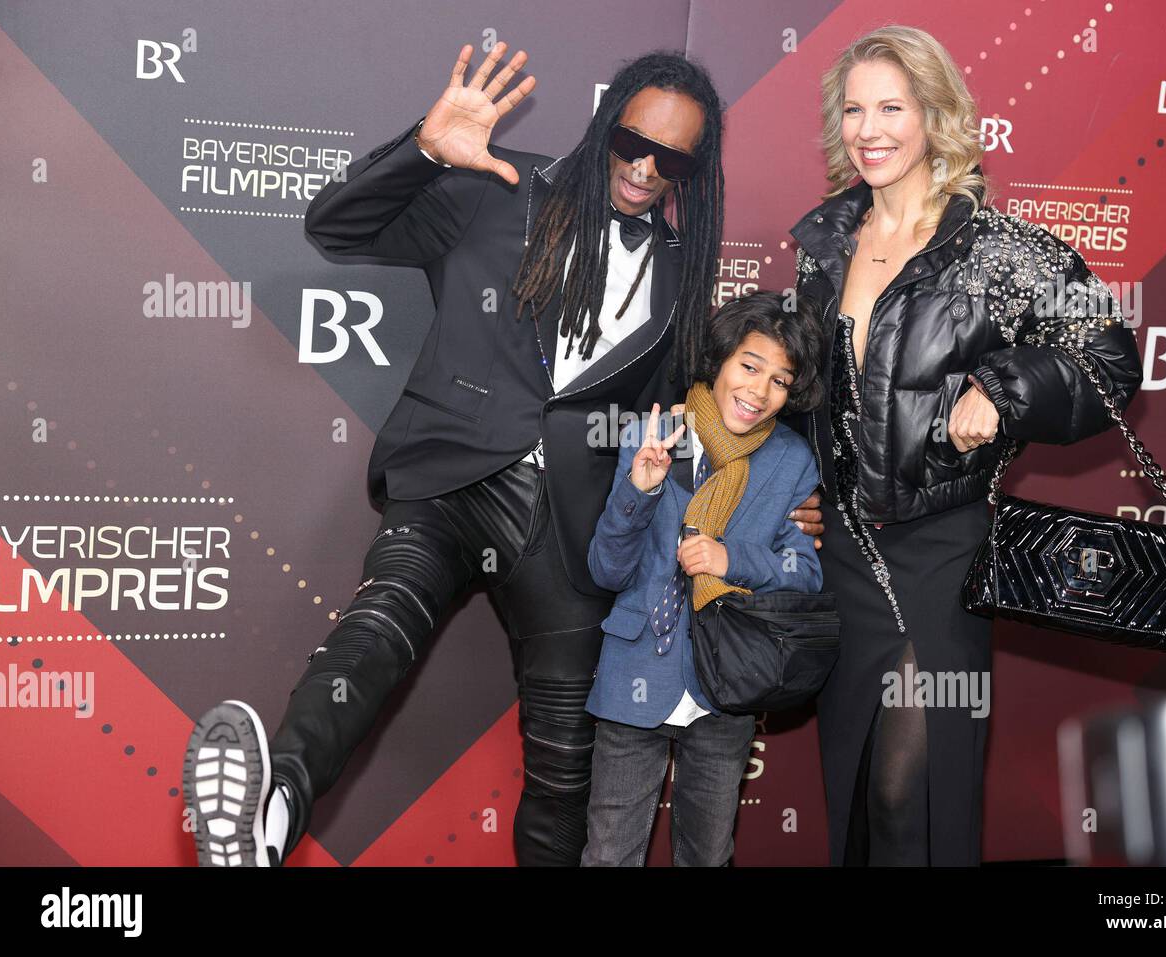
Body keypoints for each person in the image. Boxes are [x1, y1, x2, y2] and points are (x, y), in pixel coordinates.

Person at [182, 41, 826, 868]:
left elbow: (703, 410)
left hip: (568, 534)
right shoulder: (499, 187)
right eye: (631, 141)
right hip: (452, 477)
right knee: (379, 625)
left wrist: (783, 493)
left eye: (669, 157)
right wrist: (423, 147)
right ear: (606, 124)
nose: (642, 166)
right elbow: (334, 225)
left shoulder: (679, 273)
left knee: (564, 771)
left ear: (691, 169)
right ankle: (271, 811)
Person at [785, 25, 1144, 865]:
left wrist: (1006, 387)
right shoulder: (825, 248)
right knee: (858, 786)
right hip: (844, 552)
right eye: (853, 110)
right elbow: (814, 396)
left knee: (911, 788)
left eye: (890, 108)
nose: (868, 129)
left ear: (935, 115)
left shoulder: (999, 250)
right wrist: (794, 488)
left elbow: (1111, 359)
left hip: (943, 550)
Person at [579, 291, 825, 866]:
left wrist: (730, 559)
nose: (759, 392)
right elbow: (606, 569)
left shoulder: (791, 460)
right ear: (719, 360)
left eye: (781, 382)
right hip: (635, 667)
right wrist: (638, 492)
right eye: (750, 366)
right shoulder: (653, 432)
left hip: (727, 683)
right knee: (610, 852)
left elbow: (803, 574)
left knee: (709, 854)